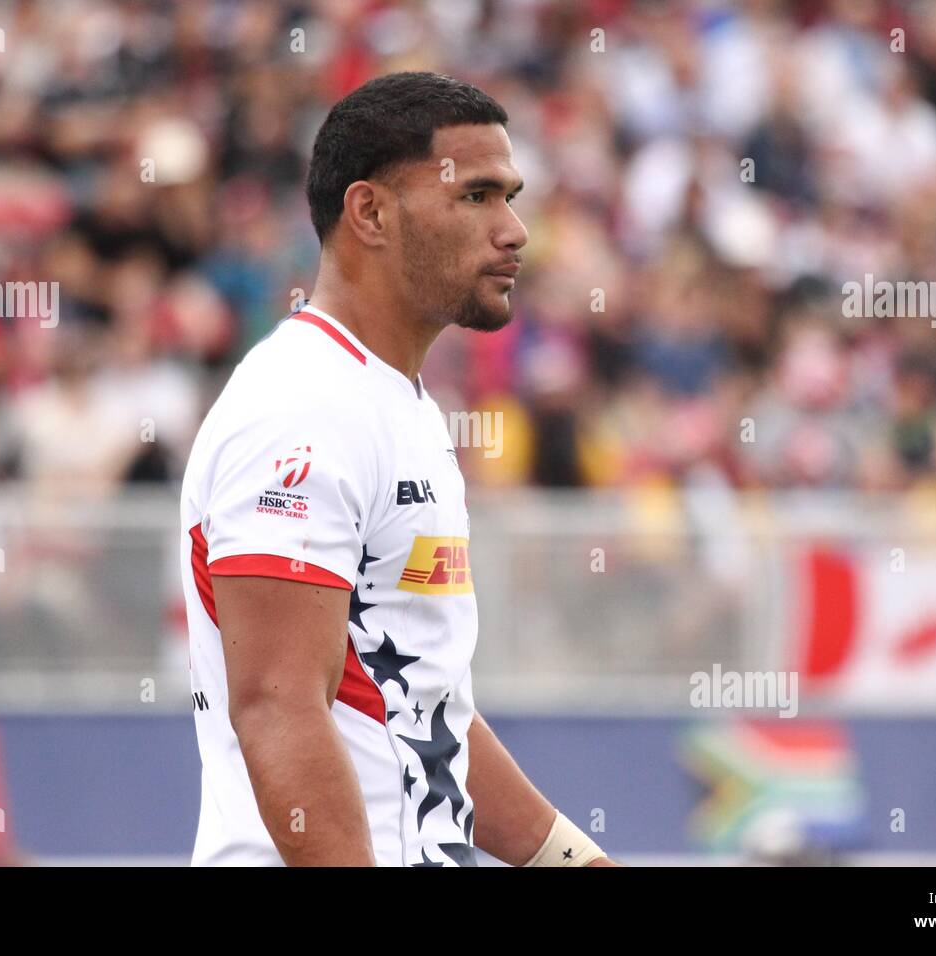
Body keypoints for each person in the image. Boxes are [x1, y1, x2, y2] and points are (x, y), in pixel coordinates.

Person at [179, 71, 618, 866]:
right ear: (370, 212)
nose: (516, 230)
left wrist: (578, 863)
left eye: (511, 196)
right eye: (478, 196)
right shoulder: (302, 405)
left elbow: (424, 710)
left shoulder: (396, 404)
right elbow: (279, 708)